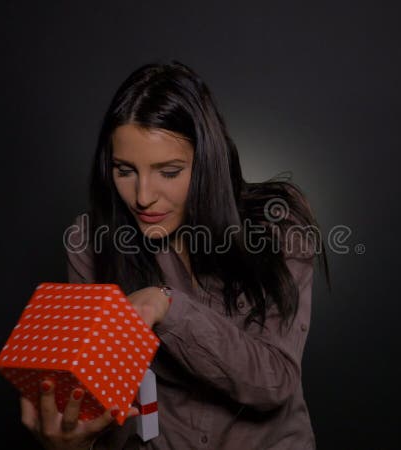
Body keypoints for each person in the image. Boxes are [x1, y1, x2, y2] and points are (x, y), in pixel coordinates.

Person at [20, 60, 330, 449]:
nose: (144, 196)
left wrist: (164, 304)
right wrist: (75, 443)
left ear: (207, 164)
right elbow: (100, 397)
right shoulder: (90, 241)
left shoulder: (278, 225)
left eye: (169, 172)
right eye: (125, 170)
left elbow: (273, 381)